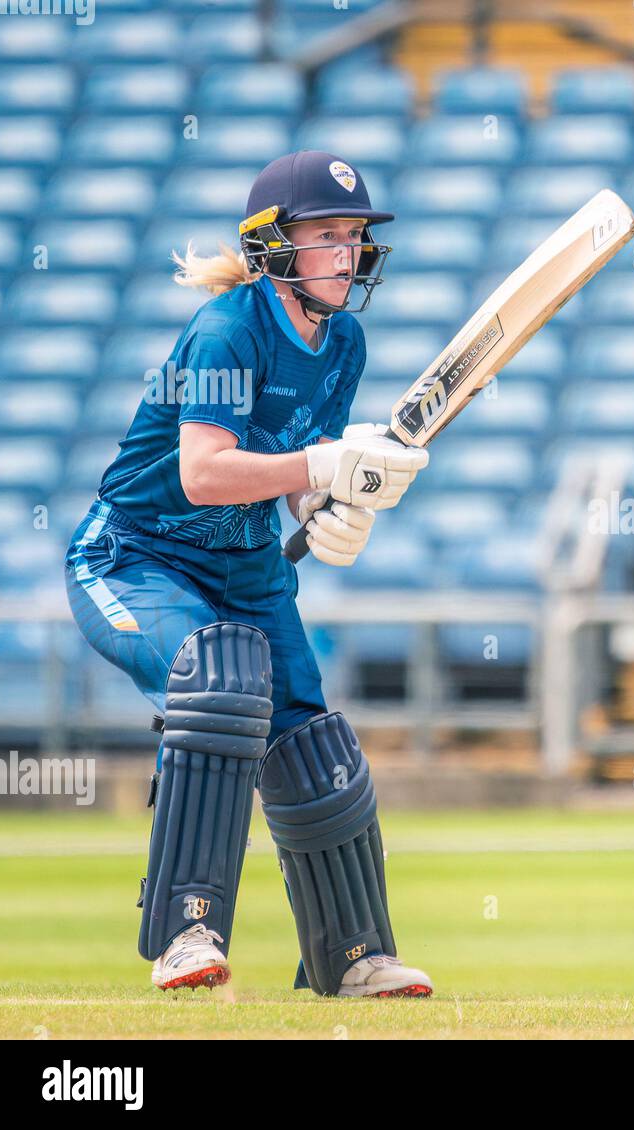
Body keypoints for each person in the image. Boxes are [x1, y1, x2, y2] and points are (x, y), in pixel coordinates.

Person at [64, 150, 435, 998]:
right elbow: (205, 472)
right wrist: (322, 467)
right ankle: (187, 934)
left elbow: (302, 475)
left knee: (311, 737)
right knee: (218, 676)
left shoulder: (344, 342)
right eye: (327, 237)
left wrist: (337, 511)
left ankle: (355, 955)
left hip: (246, 565)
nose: (348, 253)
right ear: (273, 247)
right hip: (135, 554)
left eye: (355, 237)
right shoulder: (231, 327)